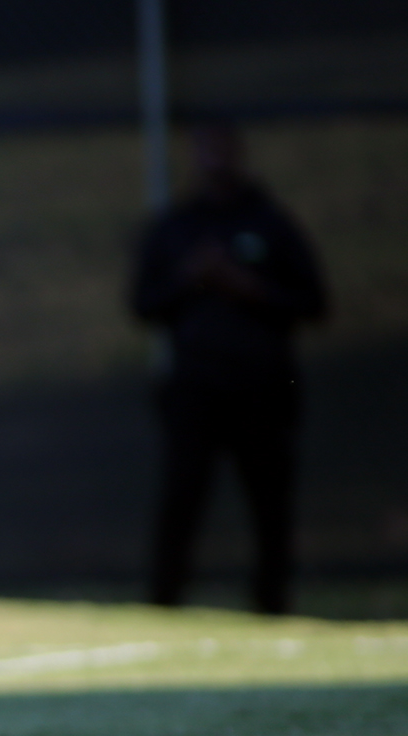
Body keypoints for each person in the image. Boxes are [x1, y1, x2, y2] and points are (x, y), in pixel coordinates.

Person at [130, 122, 327, 615]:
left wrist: (248, 287)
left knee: (268, 498)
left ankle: (272, 603)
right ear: (193, 155)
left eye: (223, 146)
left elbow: (314, 302)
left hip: (262, 384)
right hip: (195, 386)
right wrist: (191, 278)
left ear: (239, 151)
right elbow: (142, 303)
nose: (214, 156)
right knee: (182, 492)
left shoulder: (271, 224)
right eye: (204, 147)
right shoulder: (176, 227)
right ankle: (165, 602)